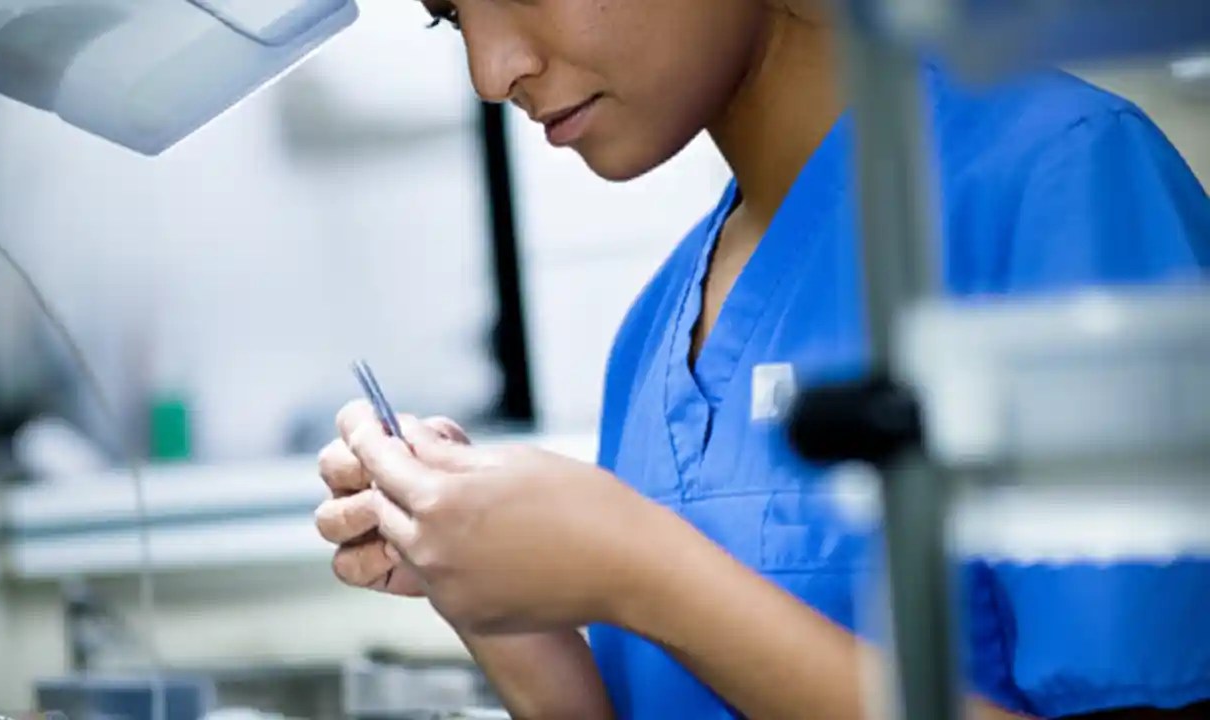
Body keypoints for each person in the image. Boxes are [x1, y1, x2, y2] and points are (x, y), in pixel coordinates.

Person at [313, 1, 1210, 718]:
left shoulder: (1061, 183)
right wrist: (505, 613)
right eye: (453, 15)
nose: (492, 67)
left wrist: (638, 569)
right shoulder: (656, 329)